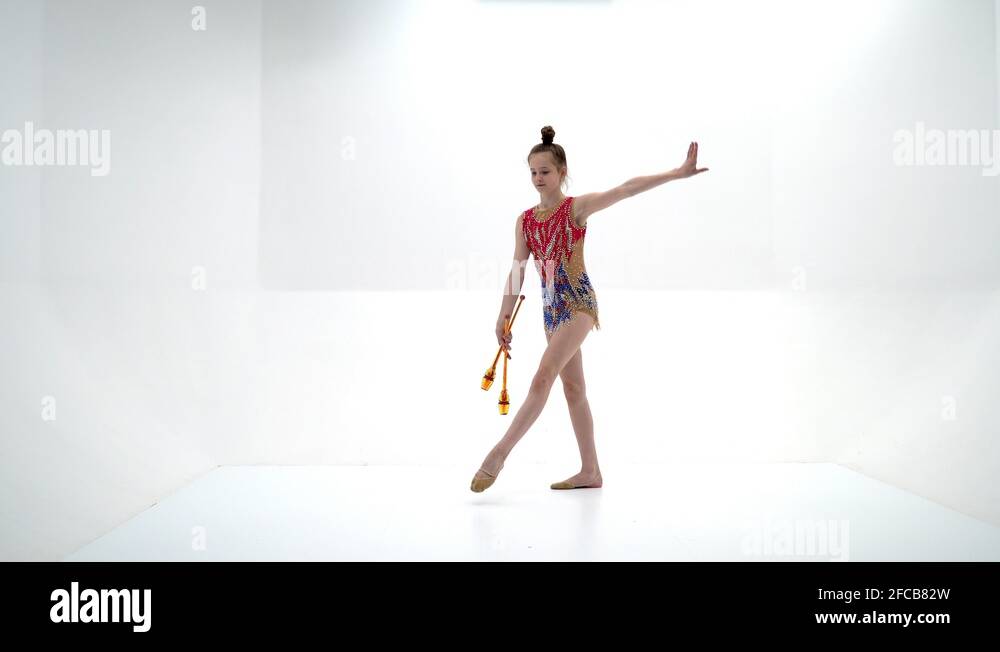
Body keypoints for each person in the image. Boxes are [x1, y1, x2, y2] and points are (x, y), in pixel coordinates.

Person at [471, 125, 708, 492]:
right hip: (551, 312)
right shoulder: (525, 221)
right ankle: (591, 471)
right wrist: (502, 316)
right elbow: (517, 271)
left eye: (545, 172)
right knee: (574, 390)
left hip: (578, 303)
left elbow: (624, 190)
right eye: (533, 172)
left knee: (542, 376)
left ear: (562, 172)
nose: (538, 178)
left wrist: (676, 174)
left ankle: (498, 454)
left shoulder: (575, 208)